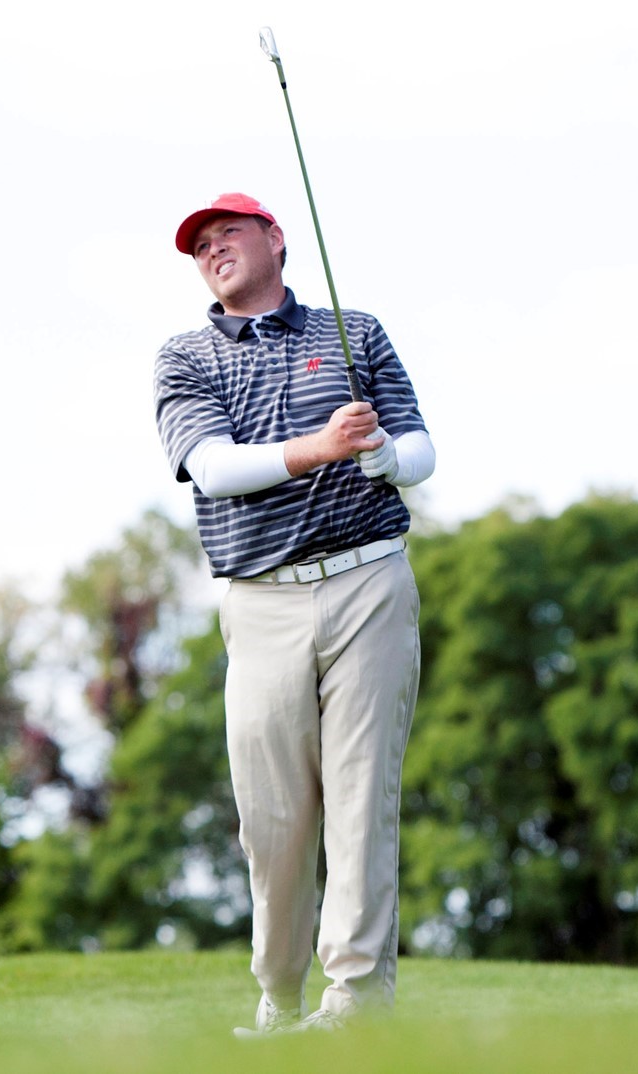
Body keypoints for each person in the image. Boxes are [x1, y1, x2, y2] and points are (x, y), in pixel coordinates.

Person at [152, 192, 436, 1036]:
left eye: (226, 234)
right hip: (261, 601)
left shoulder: (354, 332)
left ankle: (356, 1002)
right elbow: (212, 468)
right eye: (199, 246)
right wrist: (324, 447)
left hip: (369, 582)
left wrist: (380, 452)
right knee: (273, 819)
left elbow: (420, 449)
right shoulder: (185, 358)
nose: (211, 251)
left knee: (361, 795)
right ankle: (279, 993)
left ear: (275, 239)